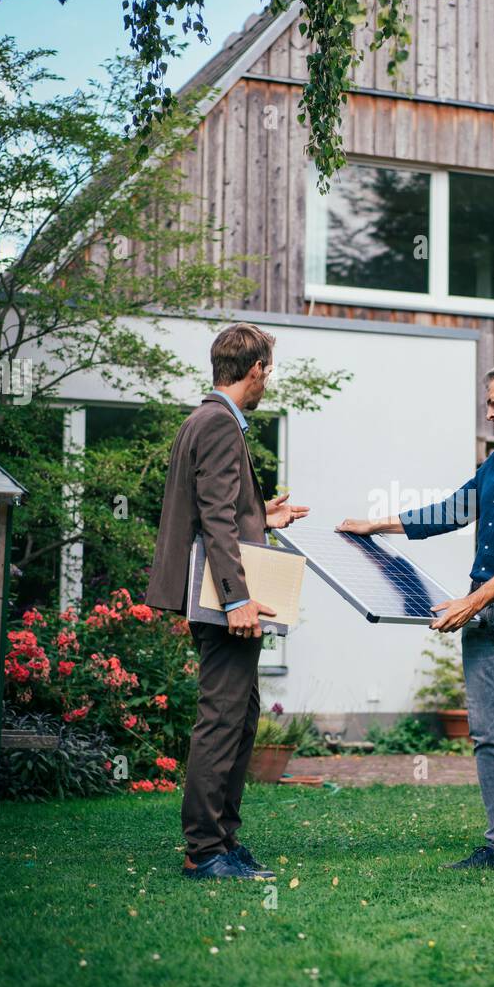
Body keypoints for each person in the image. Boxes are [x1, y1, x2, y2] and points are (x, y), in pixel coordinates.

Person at [338, 360, 494, 879]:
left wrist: (476, 602)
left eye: (492, 401)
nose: (487, 411)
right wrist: (376, 525)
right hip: (479, 607)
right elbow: (452, 510)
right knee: (486, 732)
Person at [146, 324, 309, 881]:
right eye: (269, 370)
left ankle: (224, 841)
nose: (268, 380)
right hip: (224, 600)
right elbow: (214, 518)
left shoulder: (207, 419)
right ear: (257, 369)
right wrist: (238, 599)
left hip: (221, 597)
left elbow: (219, 510)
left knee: (240, 716)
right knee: (222, 718)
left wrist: (265, 517)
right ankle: (205, 850)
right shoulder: (218, 423)